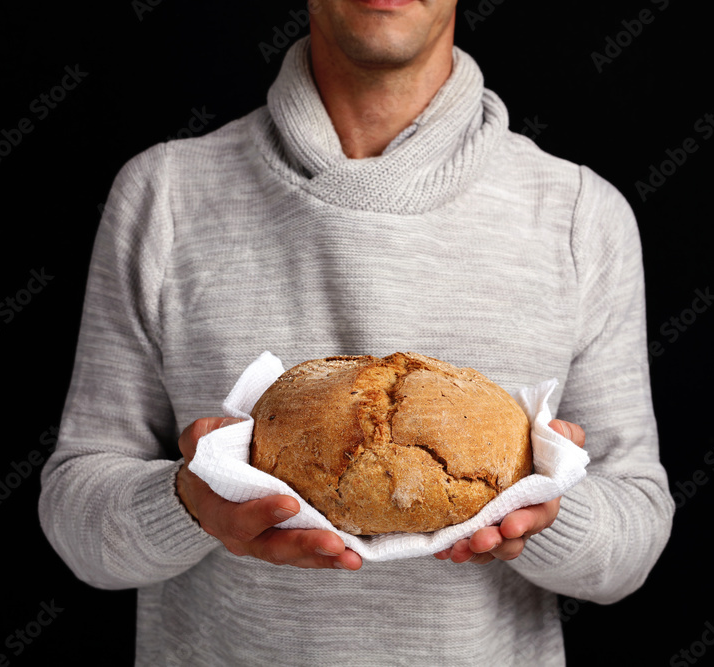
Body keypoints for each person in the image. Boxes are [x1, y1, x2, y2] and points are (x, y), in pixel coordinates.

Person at [39, 1, 673, 664]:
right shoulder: (165, 194)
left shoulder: (581, 216)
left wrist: (545, 509)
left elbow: (634, 540)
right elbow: (77, 523)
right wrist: (189, 504)